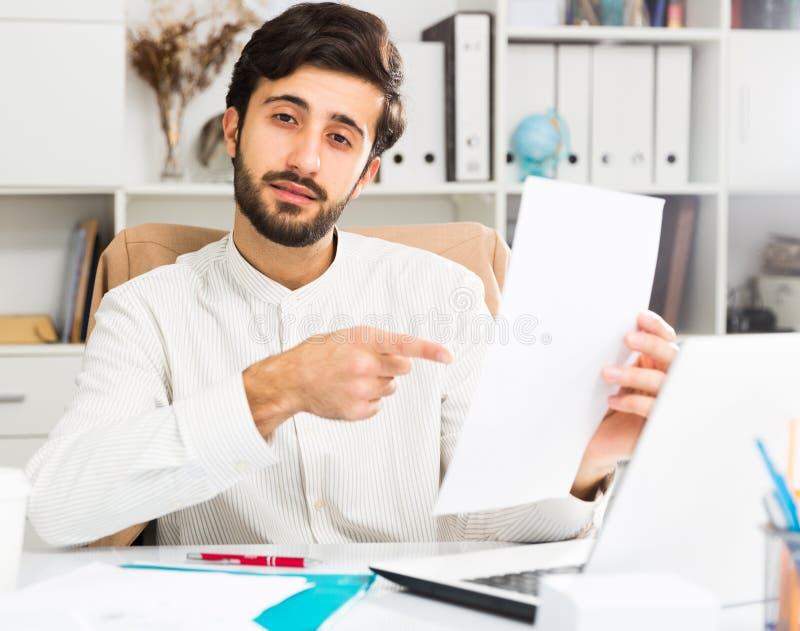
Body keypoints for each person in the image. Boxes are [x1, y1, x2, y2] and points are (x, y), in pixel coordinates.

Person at [26, 2, 677, 546]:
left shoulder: (443, 291)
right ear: (233, 129)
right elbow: (60, 511)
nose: (305, 157)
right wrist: (270, 391)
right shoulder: (146, 308)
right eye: (285, 117)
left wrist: (584, 460)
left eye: (341, 138)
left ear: (366, 173)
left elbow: (487, 520)